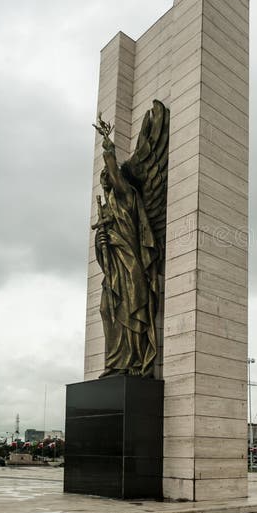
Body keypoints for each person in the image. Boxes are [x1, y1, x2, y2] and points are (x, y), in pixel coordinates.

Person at [93, 128, 159, 377]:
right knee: (105, 308)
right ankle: (114, 363)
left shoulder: (128, 196)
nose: (106, 182)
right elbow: (102, 252)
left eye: (108, 178)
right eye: (104, 180)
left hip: (131, 265)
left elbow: (115, 174)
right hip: (114, 269)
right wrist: (101, 243)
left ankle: (132, 361)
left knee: (129, 311)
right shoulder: (108, 210)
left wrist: (108, 150)